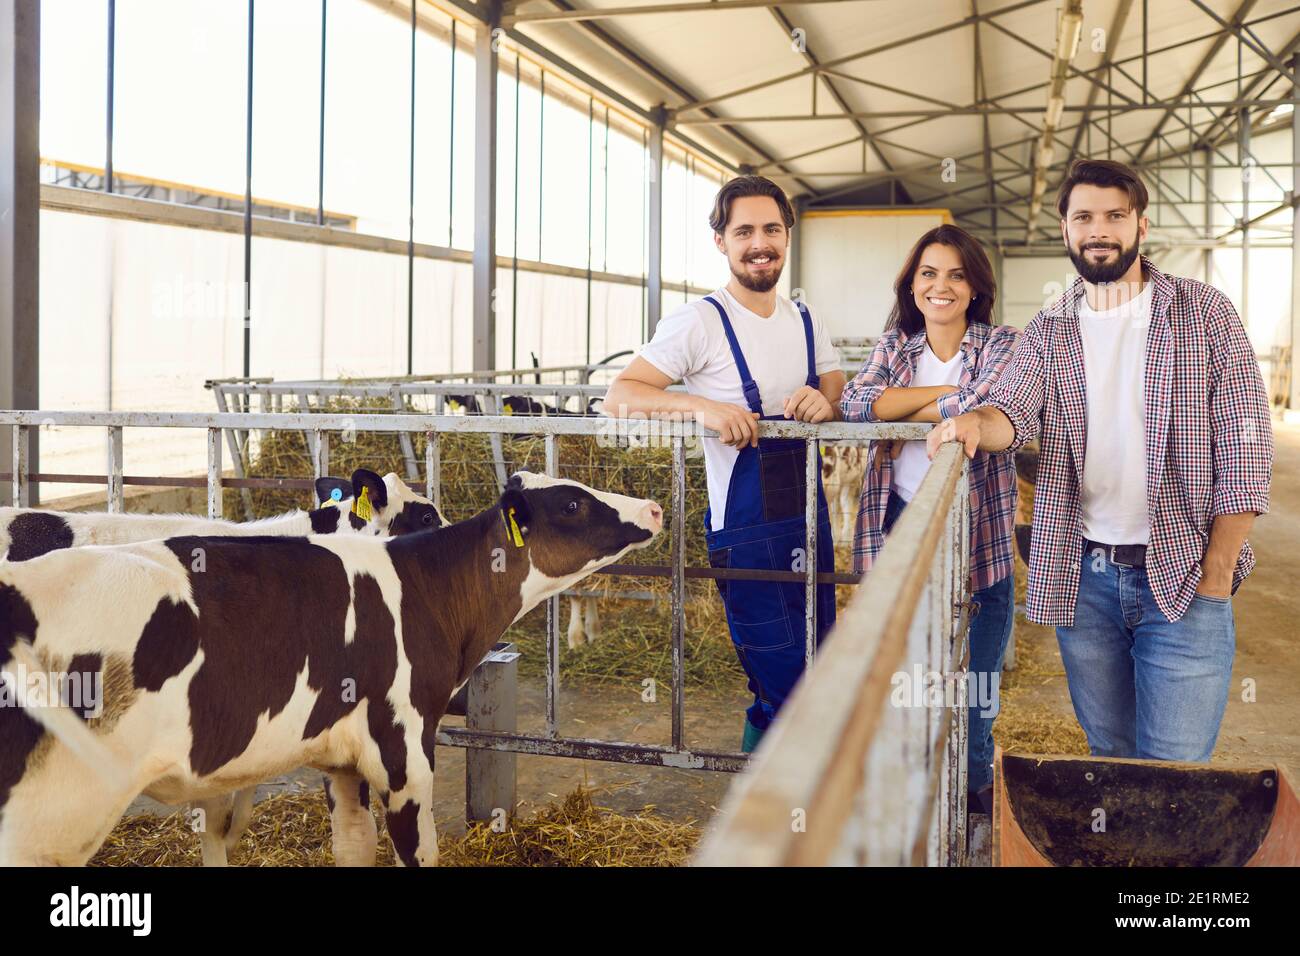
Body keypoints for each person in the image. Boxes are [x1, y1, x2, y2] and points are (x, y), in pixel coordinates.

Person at [928, 158, 1273, 763]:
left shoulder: (1204, 313)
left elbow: (1247, 445)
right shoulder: (1050, 327)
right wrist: (970, 423)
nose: (1100, 229)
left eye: (1116, 215)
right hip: (1086, 580)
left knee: (1175, 767)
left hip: (1188, 575)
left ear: (1141, 225)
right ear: (1065, 229)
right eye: (1084, 216)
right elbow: (1012, 410)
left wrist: (1219, 570)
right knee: (1110, 758)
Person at [603, 175, 844, 753]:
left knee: (821, 664)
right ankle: (774, 814)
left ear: (787, 235)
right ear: (720, 241)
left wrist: (828, 398)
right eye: (744, 231)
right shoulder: (699, 321)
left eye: (771, 229)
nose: (759, 243)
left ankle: (785, 806)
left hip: (810, 523)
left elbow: (833, 374)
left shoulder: (805, 318)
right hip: (747, 530)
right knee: (781, 680)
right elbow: (621, 394)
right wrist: (702, 408)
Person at [840, 223, 1018, 812]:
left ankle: (971, 795)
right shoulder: (897, 347)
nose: (941, 287)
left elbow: (990, 405)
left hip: (979, 540)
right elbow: (858, 405)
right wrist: (941, 402)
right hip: (899, 528)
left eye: (956, 275)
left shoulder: (1003, 342)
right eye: (928, 274)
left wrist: (907, 412)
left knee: (975, 690)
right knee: (905, 677)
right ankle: (909, 801)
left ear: (975, 287)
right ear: (913, 285)